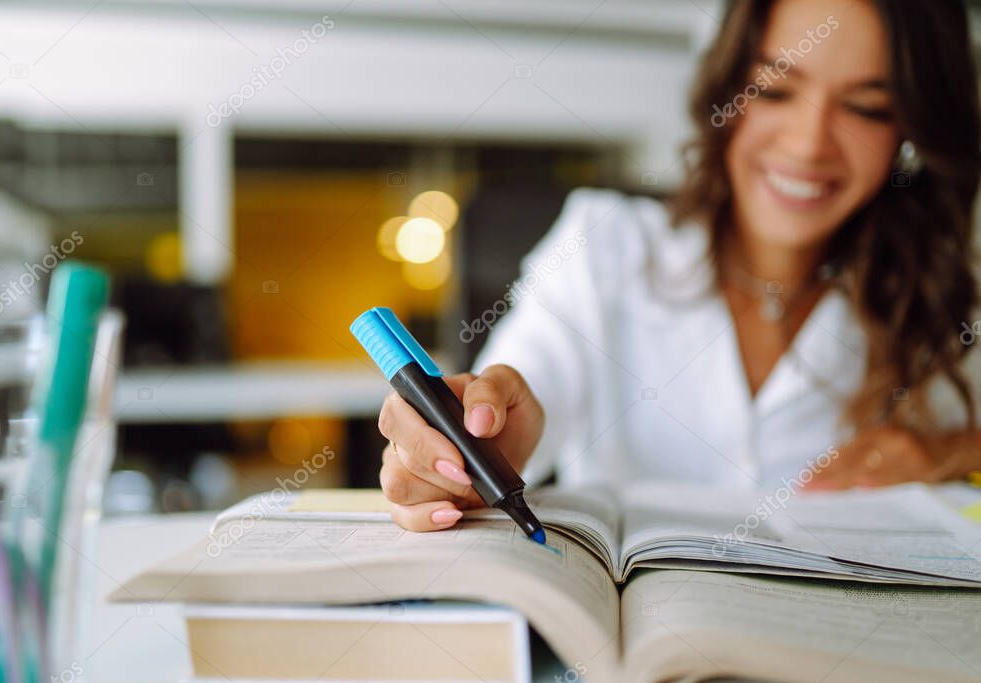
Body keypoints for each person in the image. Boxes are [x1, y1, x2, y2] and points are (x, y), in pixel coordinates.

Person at [377, 0, 981, 532]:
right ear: (728, 91)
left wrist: (954, 452)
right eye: (774, 90)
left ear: (910, 131)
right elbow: (530, 382)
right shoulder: (603, 245)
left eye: (866, 108)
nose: (808, 144)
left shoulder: (942, 295)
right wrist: (478, 445)